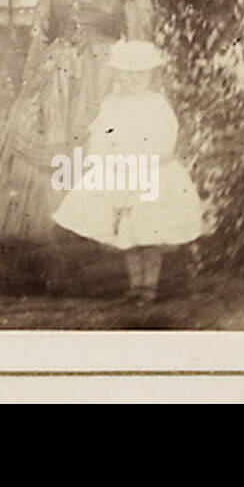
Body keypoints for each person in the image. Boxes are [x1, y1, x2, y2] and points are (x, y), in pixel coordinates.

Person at [0, 0, 155, 285]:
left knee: (91, 151)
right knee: (41, 158)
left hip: (101, 82)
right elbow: (42, 31)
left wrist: (128, 88)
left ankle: (95, 260)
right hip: (53, 82)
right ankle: (36, 257)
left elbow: (139, 42)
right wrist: (32, 81)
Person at [52, 40, 204, 302]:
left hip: (152, 173)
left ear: (151, 74)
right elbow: (100, 137)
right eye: (129, 73)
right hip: (121, 173)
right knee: (128, 233)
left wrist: (146, 160)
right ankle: (134, 287)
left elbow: (166, 137)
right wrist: (104, 164)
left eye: (141, 73)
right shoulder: (113, 104)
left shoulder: (156, 104)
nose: (135, 79)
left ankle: (149, 287)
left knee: (150, 231)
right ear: (119, 74)